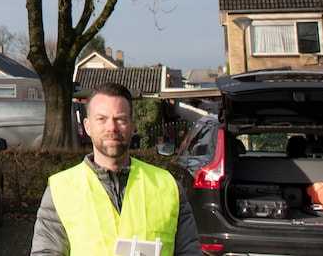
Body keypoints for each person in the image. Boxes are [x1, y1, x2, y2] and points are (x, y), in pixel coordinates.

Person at [31, 82, 200, 256]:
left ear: (132, 126)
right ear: (87, 126)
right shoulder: (61, 190)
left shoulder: (168, 187)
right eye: (101, 119)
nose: (111, 127)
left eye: (120, 119)